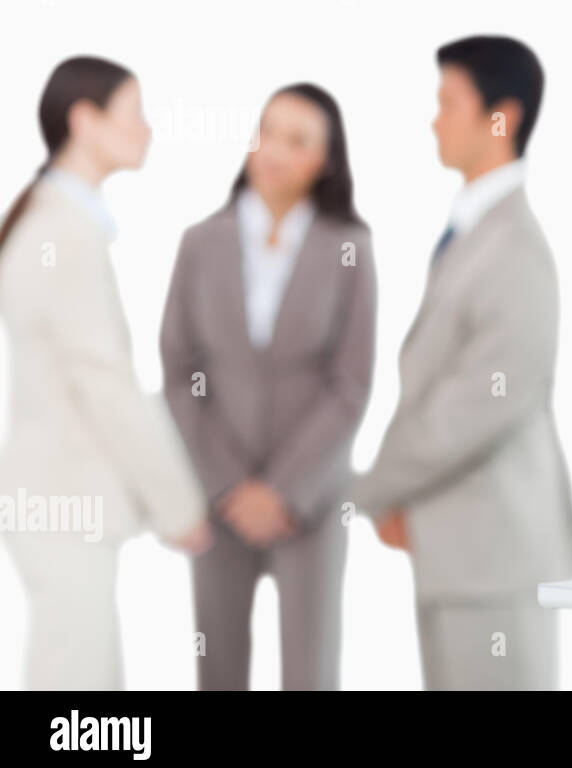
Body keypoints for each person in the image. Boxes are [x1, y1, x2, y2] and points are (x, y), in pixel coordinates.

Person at [352, 35, 572, 689]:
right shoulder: (475, 232)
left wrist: (372, 489)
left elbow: (474, 408)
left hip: (493, 553)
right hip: (456, 546)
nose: (434, 119)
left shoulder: (515, 248)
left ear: (500, 116)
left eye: (447, 102)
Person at [0, 55, 210, 689]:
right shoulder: (63, 234)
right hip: (63, 501)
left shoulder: (56, 222)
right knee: (78, 697)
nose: (146, 129)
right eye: (134, 114)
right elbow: (107, 386)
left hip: (57, 500)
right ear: (85, 121)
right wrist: (179, 505)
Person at [159, 83, 377, 690]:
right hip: (218, 490)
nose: (276, 150)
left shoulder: (350, 249)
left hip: (309, 498)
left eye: (298, 139)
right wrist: (230, 484)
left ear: (325, 161)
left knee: (310, 669)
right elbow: (179, 371)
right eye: (268, 132)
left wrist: (281, 490)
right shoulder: (201, 242)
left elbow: (351, 383)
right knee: (218, 667)